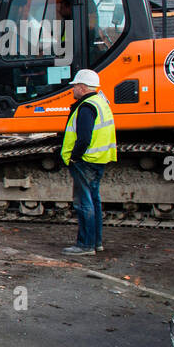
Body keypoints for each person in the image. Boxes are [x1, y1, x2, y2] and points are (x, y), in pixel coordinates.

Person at [60, 68, 117, 256]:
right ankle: (96, 242)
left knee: (84, 203)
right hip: (98, 159)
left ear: (83, 87)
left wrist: (75, 156)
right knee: (94, 201)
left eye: (75, 86)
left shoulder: (86, 107)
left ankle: (85, 245)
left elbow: (84, 138)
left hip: (85, 161)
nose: (73, 89)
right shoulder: (100, 102)